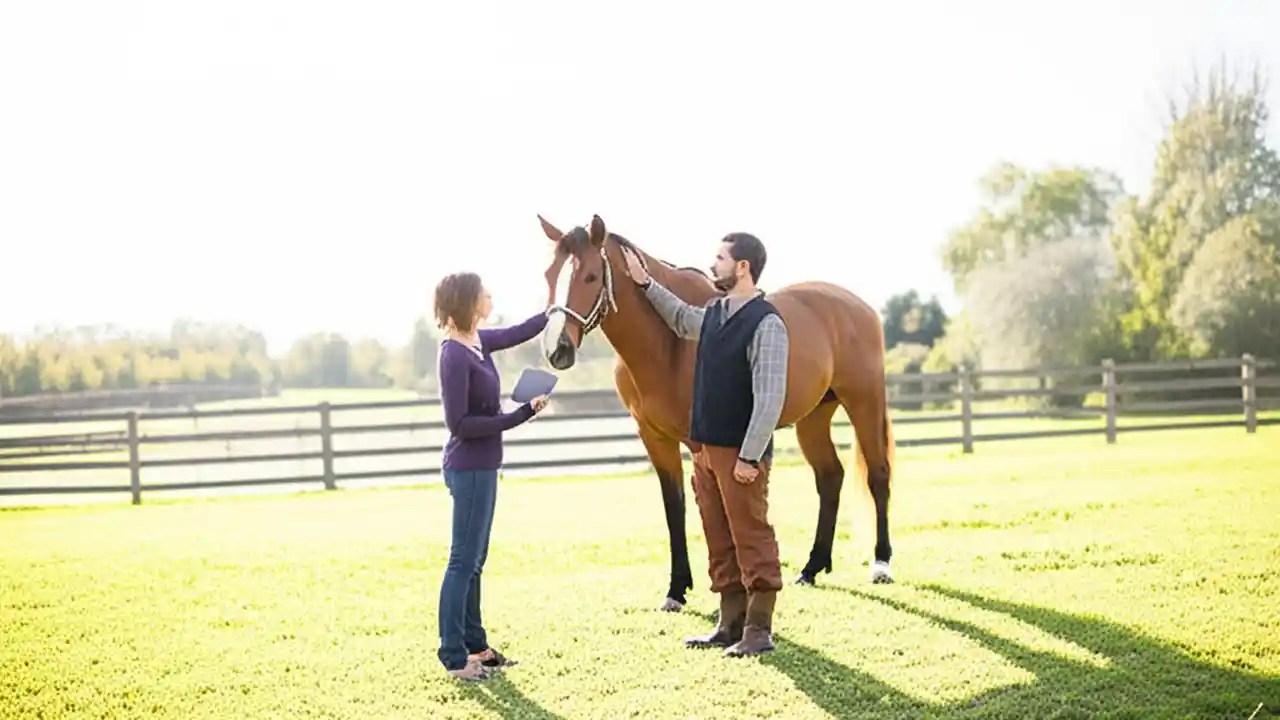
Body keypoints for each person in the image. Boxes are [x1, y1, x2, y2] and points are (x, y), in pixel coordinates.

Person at [620, 232, 789, 657]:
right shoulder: (714, 314)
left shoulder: (767, 323)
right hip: (705, 450)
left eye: (720, 258)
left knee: (751, 535)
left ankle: (758, 630)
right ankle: (729, 624)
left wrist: (750, 456)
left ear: (743, 267)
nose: (713, 265)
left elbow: (770, 397)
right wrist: (644, 282)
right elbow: (679, 317)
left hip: (739, 453)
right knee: (718, 537)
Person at [433, 270, 552, 681]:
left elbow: (519, 332)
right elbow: (459, 424)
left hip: (485, 467)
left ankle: (476, 647)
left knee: (475, 562)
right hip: (467, 468)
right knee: (461, 563)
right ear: (467, 301)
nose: (490, 297)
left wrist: (554, 313)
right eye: (483, 293)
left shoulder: (477, 341)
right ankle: (453, 657)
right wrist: (519, 415)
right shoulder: (453, 353)